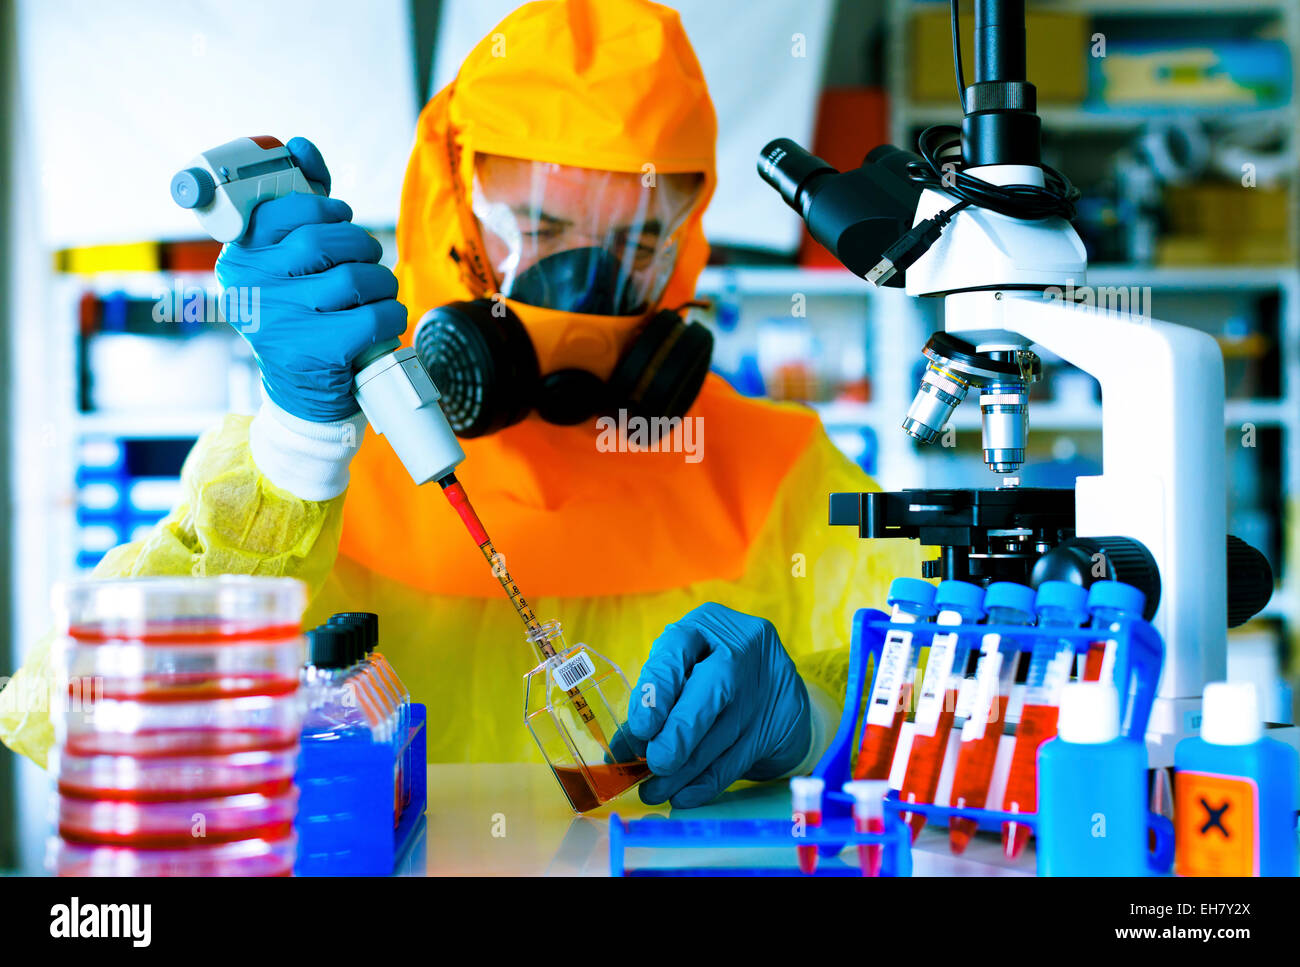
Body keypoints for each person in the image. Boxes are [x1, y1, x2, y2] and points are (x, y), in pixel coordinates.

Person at [0, 0, 918, 808]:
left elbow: (966, 704)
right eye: (544, 231)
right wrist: (299, 449)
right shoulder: (305, 473)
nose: (581, 283)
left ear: (685, 240)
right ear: (451, 213)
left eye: (633, 241)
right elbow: (71, 722)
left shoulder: (770, 468)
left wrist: (816, 719)